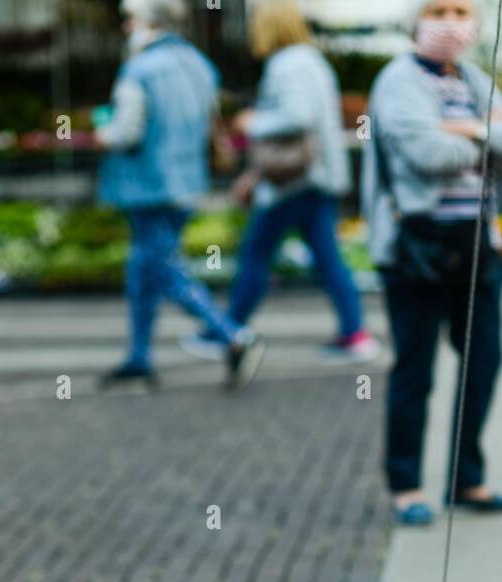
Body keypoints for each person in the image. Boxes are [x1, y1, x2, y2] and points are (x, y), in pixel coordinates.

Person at [362, 0, 502, 525]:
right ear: (417, 20)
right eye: (438, 9)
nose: (451, 21)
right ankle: (407, 485)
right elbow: (426, 155)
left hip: (478, 245)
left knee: (485, 360)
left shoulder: (476, 78)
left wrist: (463, 130)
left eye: (461, 11)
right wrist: (486, 133)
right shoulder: (397, 82)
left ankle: (467, 479)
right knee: (416, 370)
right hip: (418, 248)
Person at [182, 0, 379, 368]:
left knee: (256, 251)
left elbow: (297, 118)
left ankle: (228, 329)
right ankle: (355, 332)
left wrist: (251, 122)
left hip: (296, 180)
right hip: (313, 177)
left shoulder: (288, 65)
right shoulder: (311, 60)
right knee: (325, 257)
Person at [95, 0, 259, 388]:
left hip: (147, 185)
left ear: (149, 22)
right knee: (143, 271)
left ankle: (232, 336)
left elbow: (126, 131)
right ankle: (139, 357)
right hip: (186, 181)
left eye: (130, 19)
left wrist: (102, 134)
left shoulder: (138, 70)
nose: (126, 28)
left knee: (161, 268)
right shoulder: (199, 65)